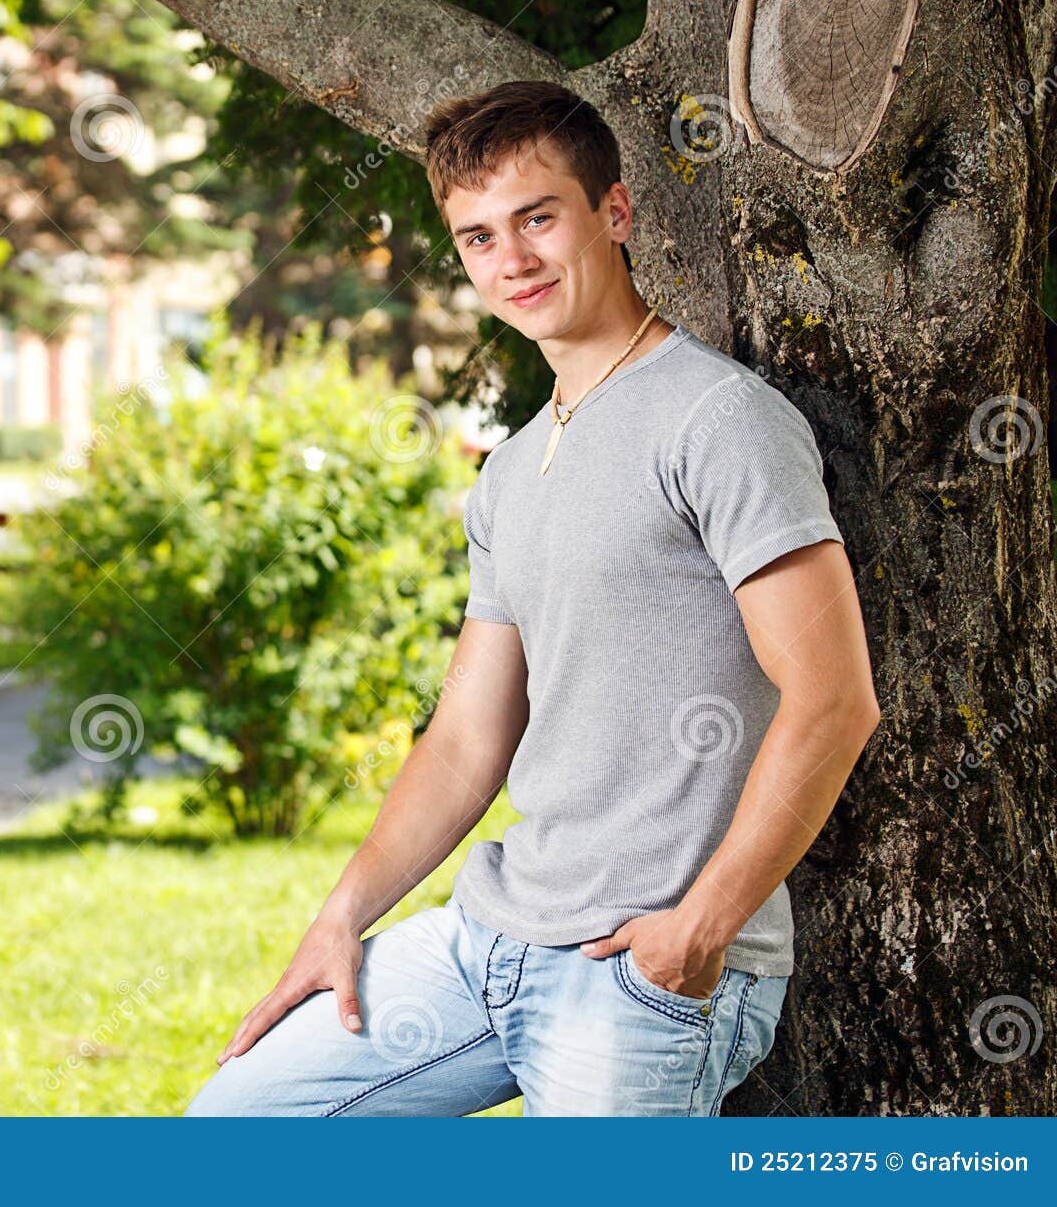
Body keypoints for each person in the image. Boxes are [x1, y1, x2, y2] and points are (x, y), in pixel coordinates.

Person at [182, 79, 880, 1117]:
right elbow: (467, 736)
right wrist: (341, 916)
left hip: (641, 969)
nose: (509, 260)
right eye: (475, 238)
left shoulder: (717, 420)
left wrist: (697, 930)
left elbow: (833, 702)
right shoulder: (508, 471)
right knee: (237, 1124)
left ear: (614, 214)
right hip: (486, 942)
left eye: (536, 218)